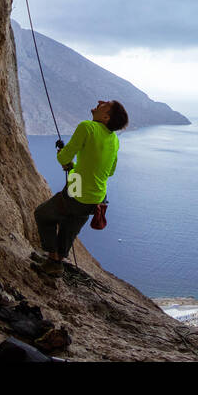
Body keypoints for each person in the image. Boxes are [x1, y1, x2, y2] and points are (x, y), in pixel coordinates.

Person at [32, 99, 128, 278]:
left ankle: (53, 259)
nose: (100, 102)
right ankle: (57, 262)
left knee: (43, 215)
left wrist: (65, 157)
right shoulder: (114, 139)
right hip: (98, 196)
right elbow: (110, 171)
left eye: (105, 104)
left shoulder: (87, 127)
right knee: (70, 226)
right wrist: (74, 167)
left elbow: (63, 158)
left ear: (106, 117)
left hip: (79, 191)